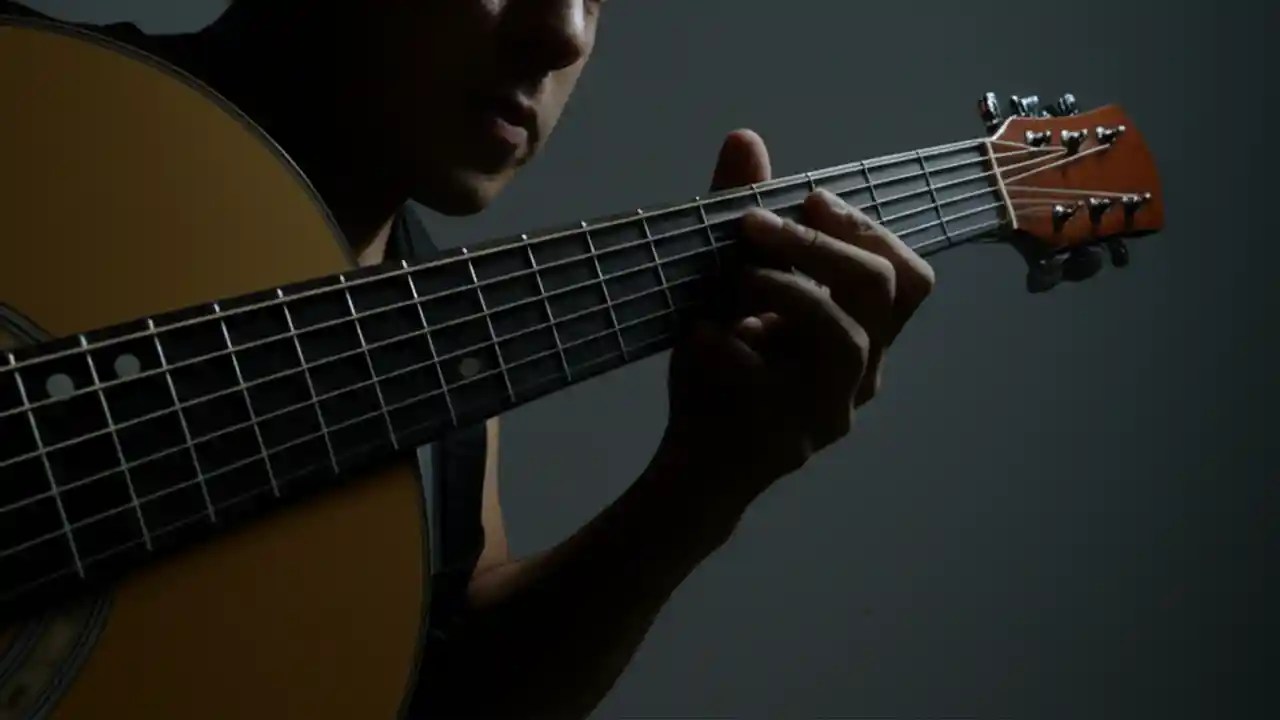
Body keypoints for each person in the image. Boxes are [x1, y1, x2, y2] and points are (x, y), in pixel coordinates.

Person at [1, 1, 936, 717]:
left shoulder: (441, 344)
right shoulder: (32, 98)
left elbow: (445, 691)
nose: (565, 33)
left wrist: (700, 488)